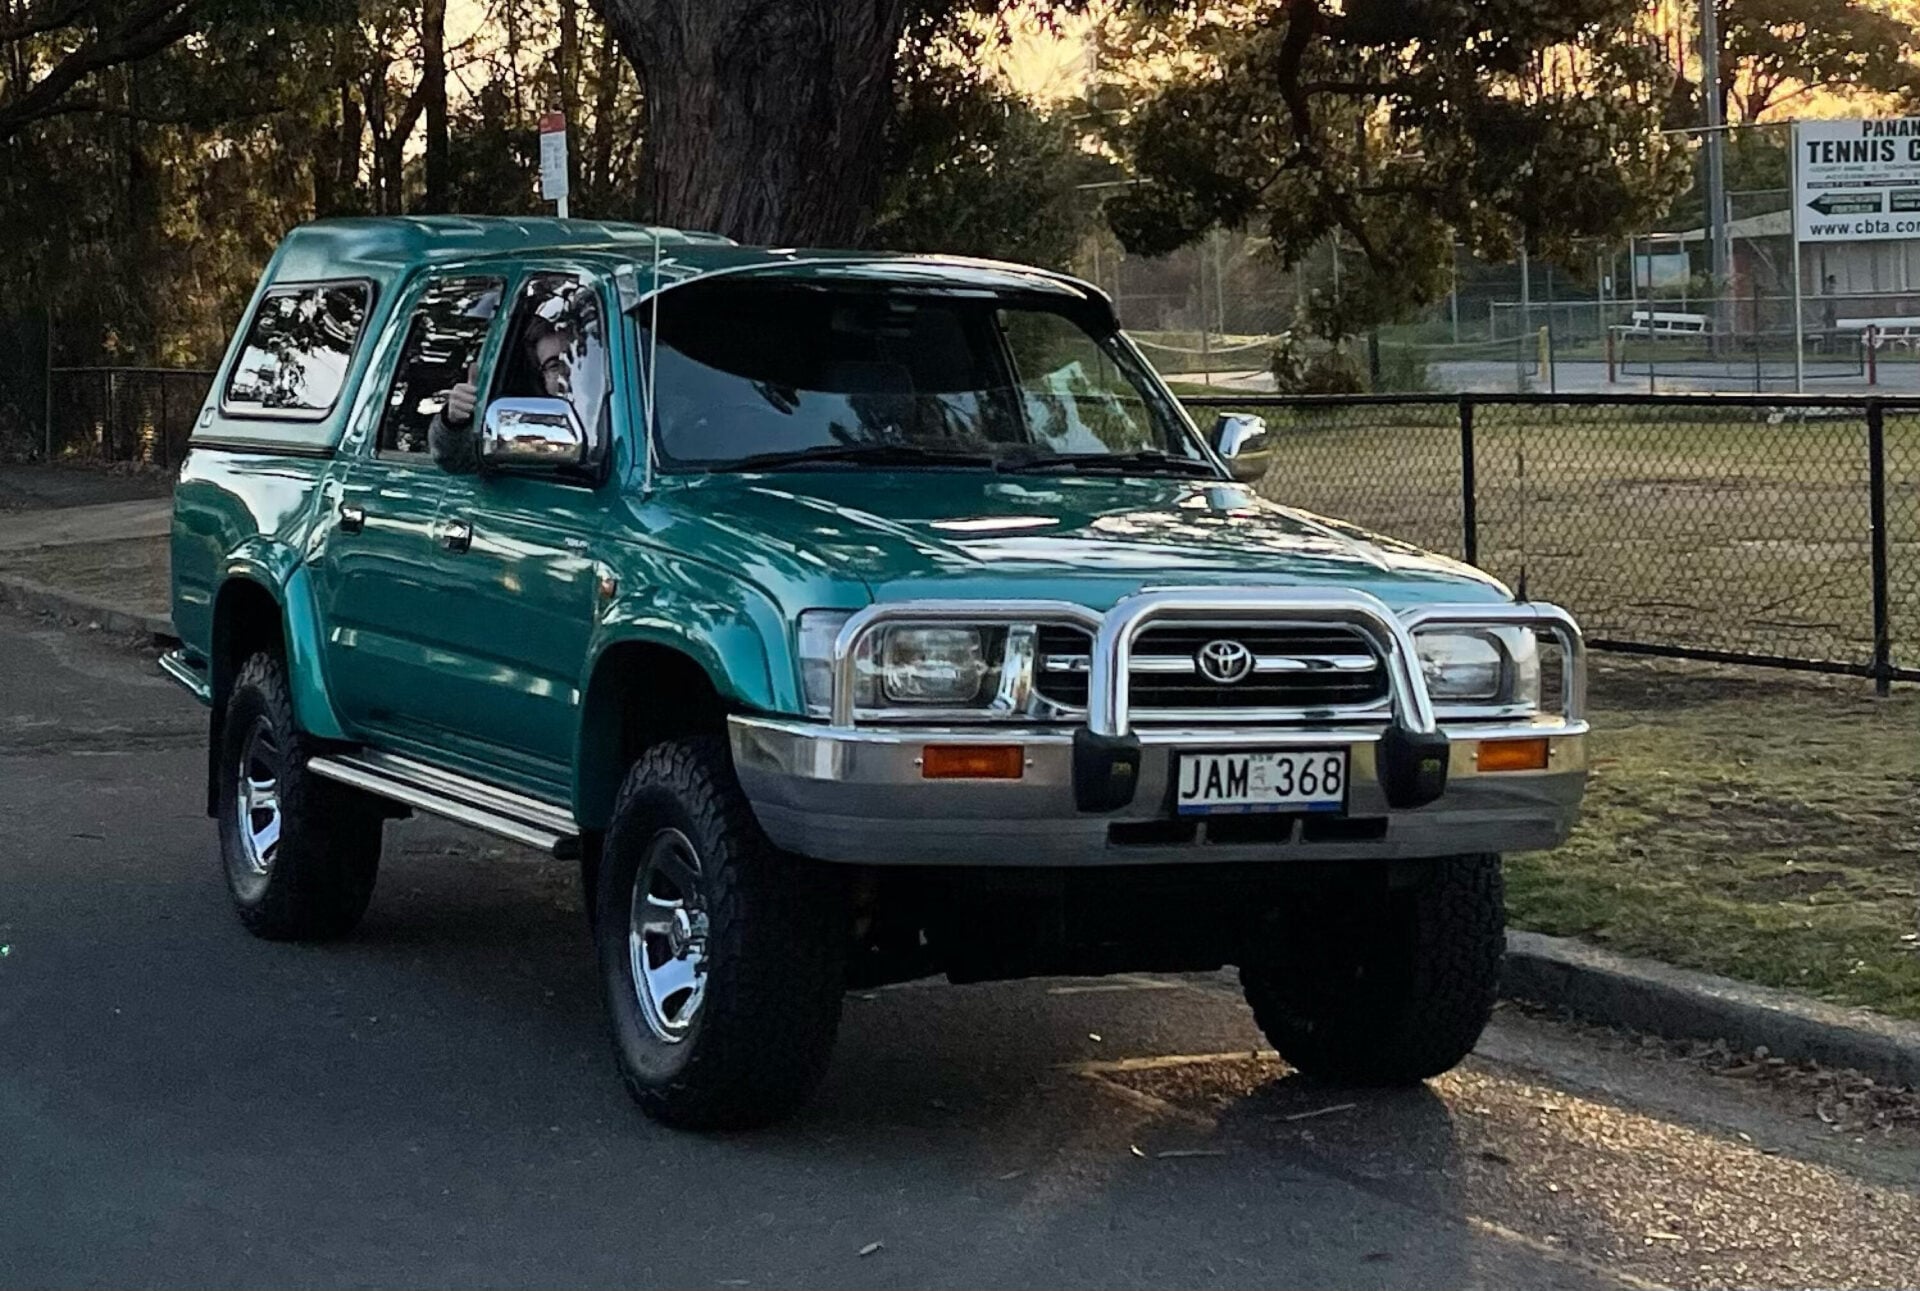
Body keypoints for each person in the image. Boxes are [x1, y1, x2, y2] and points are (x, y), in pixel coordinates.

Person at [430, 318, 573, 473]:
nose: (569, 371)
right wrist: (454, 422)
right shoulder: (530, 426)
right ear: (542, 379)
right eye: (555, 365)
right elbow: (457, 460)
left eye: (574, 358)